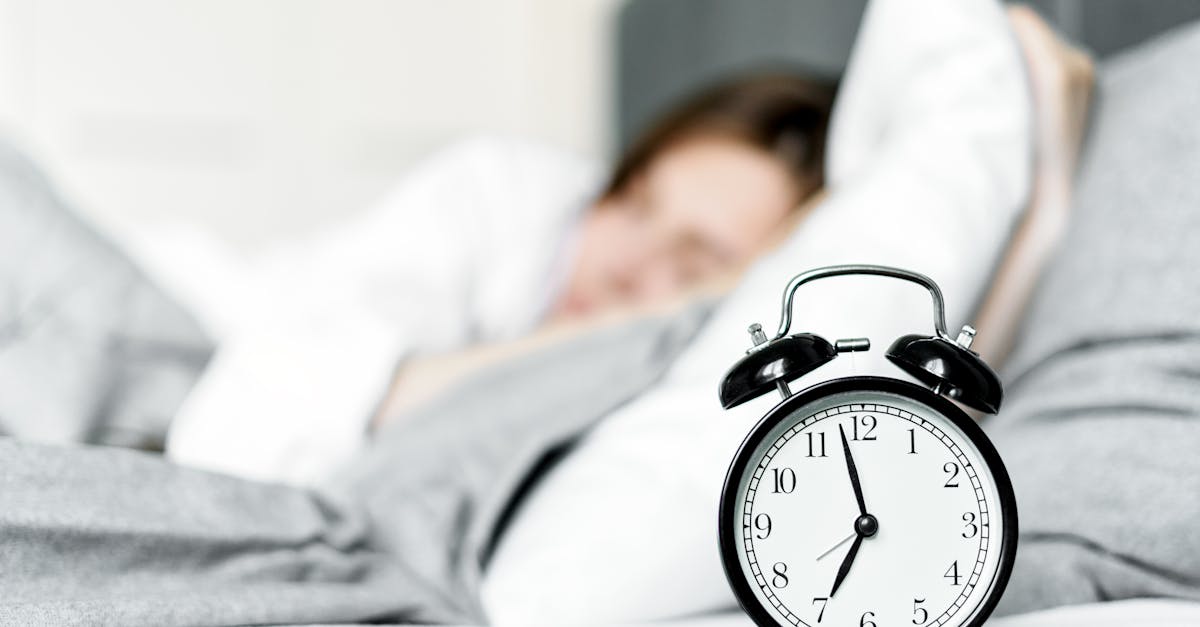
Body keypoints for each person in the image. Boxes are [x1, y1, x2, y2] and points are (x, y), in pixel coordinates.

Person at [164, 73, 837, 485]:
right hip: (175, 303)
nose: (624, 263)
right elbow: (253, 422)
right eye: (633, 202)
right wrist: (613, 329)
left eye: (691, 264)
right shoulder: (498, 190)